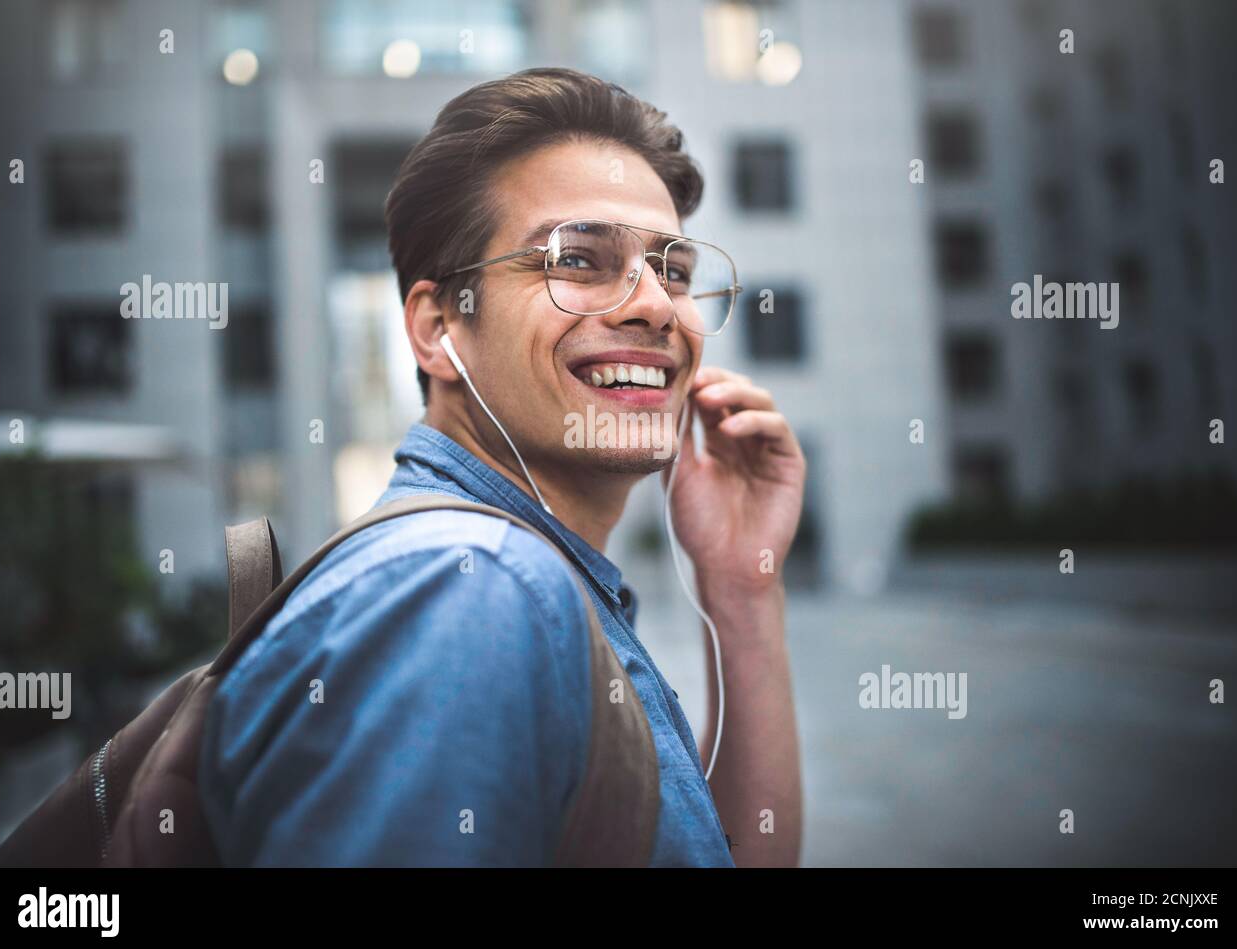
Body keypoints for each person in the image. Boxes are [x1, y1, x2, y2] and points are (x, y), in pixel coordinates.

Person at [199, 67, 805, 867]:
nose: (657, 304)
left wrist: (740, 590)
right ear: (438, 328)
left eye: (676, 270)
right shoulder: (473, 584)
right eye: (580, 259)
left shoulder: (531, 574)